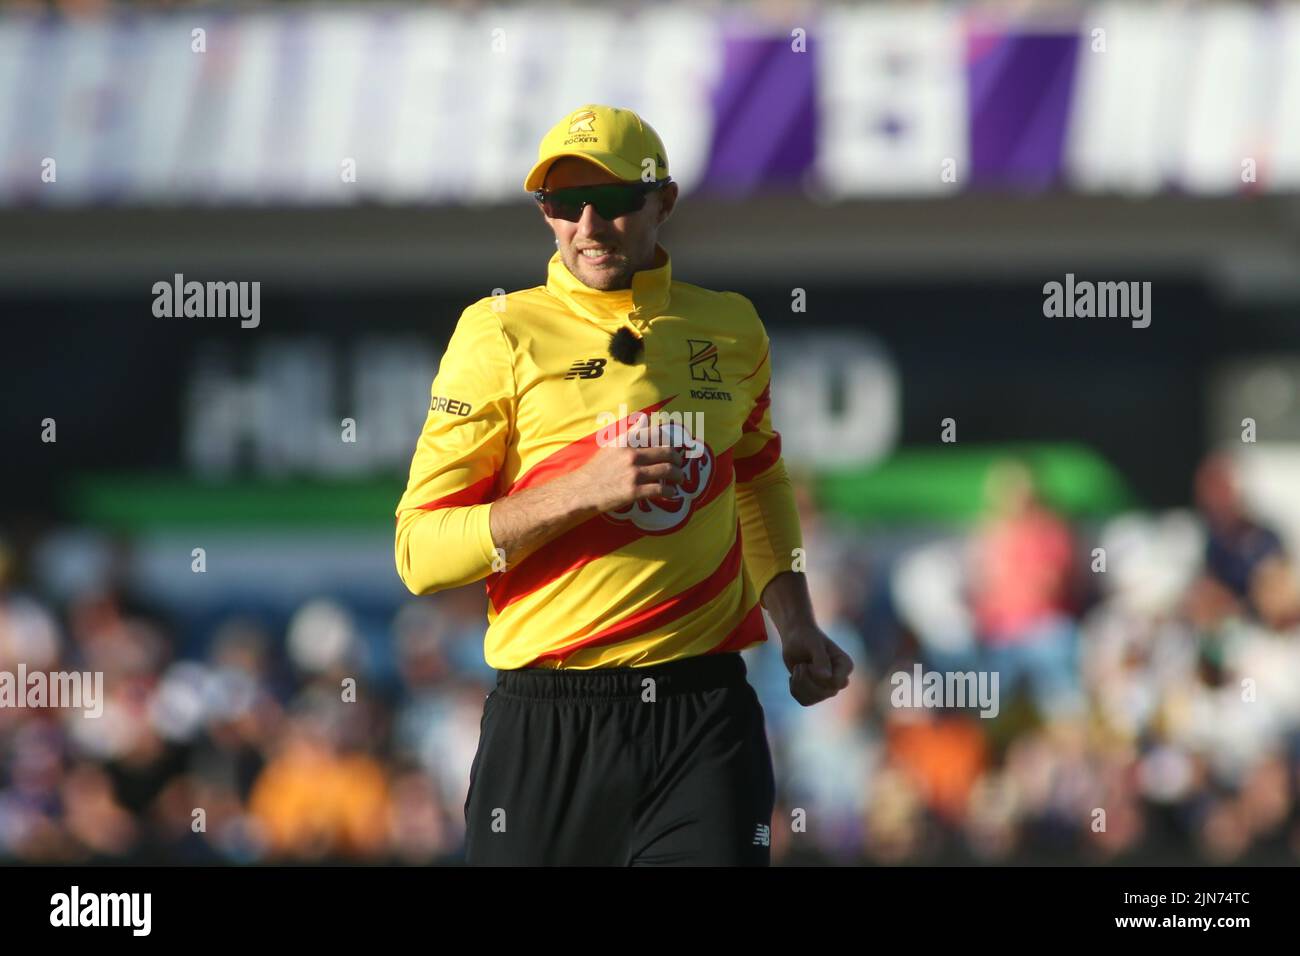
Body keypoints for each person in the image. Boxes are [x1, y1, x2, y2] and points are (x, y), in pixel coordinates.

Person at [394, 103, 852, 865]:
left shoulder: (731, 326)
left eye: (611, 203)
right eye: (561, 205)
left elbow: (756, 475)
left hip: (701, 711)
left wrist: (795, 621)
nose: (587, 225)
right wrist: (581, 489)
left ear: (662, 203)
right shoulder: (498, 331)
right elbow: (421, 553)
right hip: (546, 720)